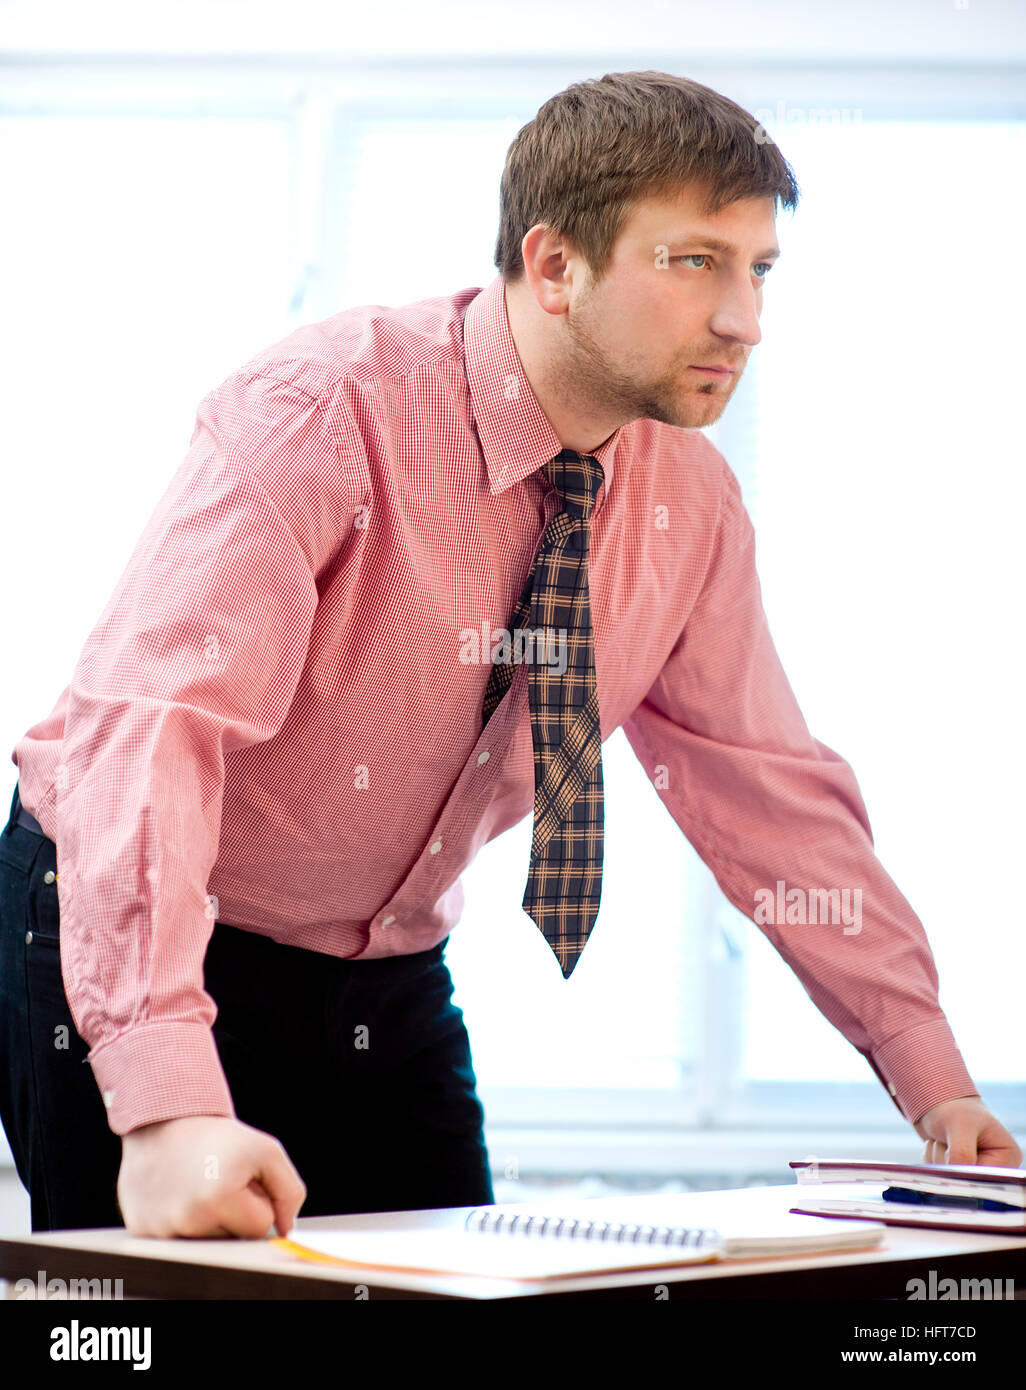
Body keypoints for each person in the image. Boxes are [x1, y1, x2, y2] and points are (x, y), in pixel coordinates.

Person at [2, 69, 1019, 1241]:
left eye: (760, 270)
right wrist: (168, 1102)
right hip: (129, 922)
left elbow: (767, 789)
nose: (746, 317)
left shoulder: (689, 504)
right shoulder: (323, 411)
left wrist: (932, 1076)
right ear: (554, 265)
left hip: (387, 972)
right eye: (696, 261)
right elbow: (153, 726)